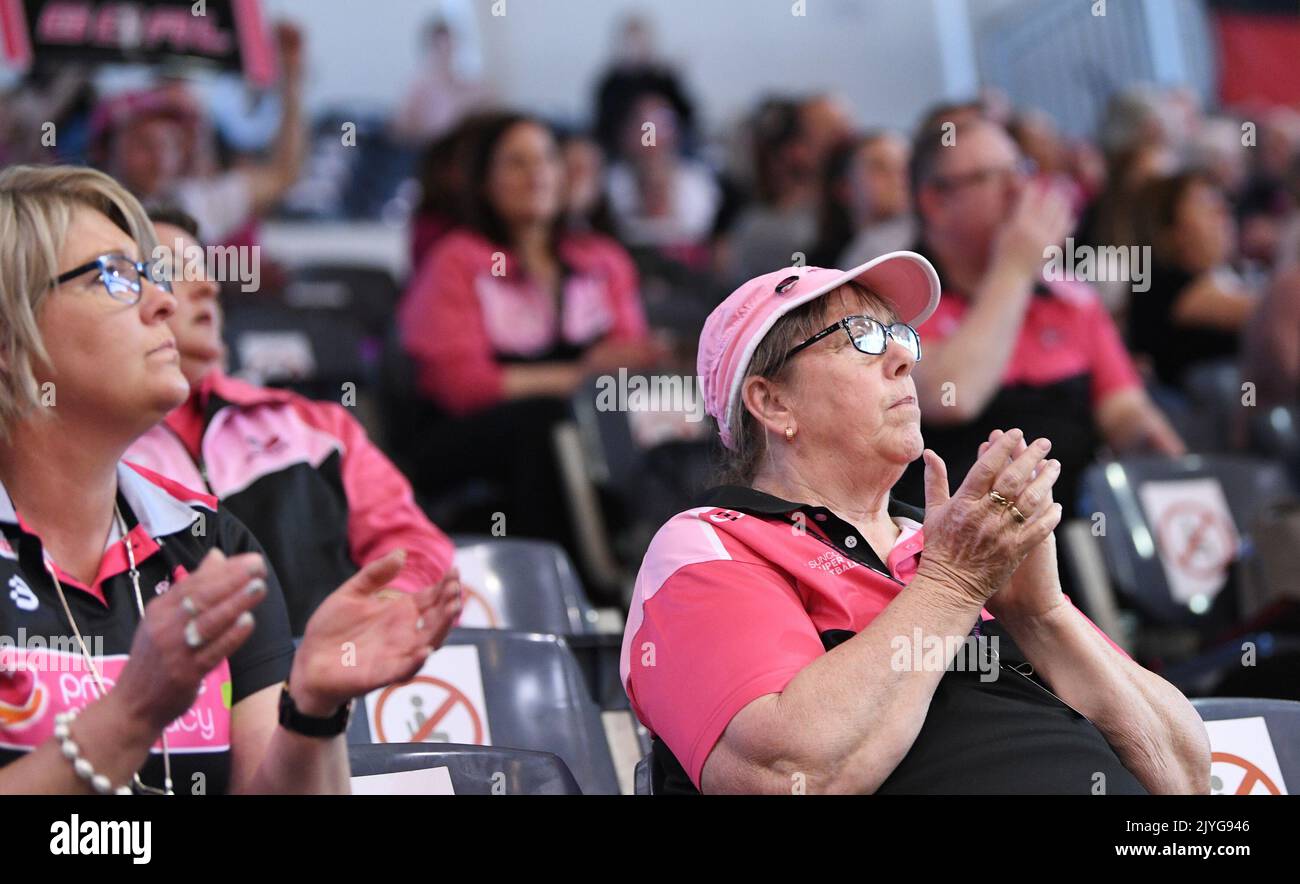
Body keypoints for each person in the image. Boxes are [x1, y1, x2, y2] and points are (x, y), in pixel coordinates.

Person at [620, 254, 1211, 794]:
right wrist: (950, 588)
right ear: (773, 403)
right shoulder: (710, 544)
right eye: (861, 337)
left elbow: (1185, 773)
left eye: (900, 335)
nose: (903, 357)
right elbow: (791, 776)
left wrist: (1041, 615)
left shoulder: (956, 545)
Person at [0, 165, 463, 794]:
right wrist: (131, 714)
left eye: (152, 275)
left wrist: (312, 709)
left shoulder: (213, 542)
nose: (164, 301)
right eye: (113, 275)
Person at [125, 208, 456, 636]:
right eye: (170, 271)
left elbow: (415, 545)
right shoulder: (97, 449)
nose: (207, 286)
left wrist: (379, 616)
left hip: (345, 683)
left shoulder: (314, 425)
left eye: (203, 269)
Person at [894, 117, 1184, 521]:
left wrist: (1151, 440)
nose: (1019, 190)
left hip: (1079, 526)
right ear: (935, 202)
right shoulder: (899, 303)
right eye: (990, 178)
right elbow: (953, 397)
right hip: (961, 540)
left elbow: (1121, 407)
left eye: (1021, 170)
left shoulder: (1070, 297)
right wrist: (1014, 267)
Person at [398, 112, 660, 546]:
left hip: (580, 421)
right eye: (516, 163)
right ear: (484, 181)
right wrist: (581, 376)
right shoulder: (457, 260)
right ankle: (576, 582)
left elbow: (629, 363)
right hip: (468, 434)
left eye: (546, 160)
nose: (536, 173)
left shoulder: (602, 260)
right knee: (549, 425)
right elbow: (462, 386)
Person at [90, 22, 307, 245]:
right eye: (145, 145)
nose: (160, 158)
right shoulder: (87, 210)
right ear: (111, 149)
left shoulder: (195, 204)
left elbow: (283, 175)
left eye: (170, 145)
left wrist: (291, 75)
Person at [1128, 171, 1255, 390]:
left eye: (1220, 201)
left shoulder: (1240, 273)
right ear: (1171, 231)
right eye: (1204, 204)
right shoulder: (1162, 283)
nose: (1222, 211)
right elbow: (1266, 311)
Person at [809, 131, 914, 269]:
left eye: (904, 167)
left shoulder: (935, 248)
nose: (898, 177)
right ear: (844, 186)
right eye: (879, 167)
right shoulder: (817, 265)